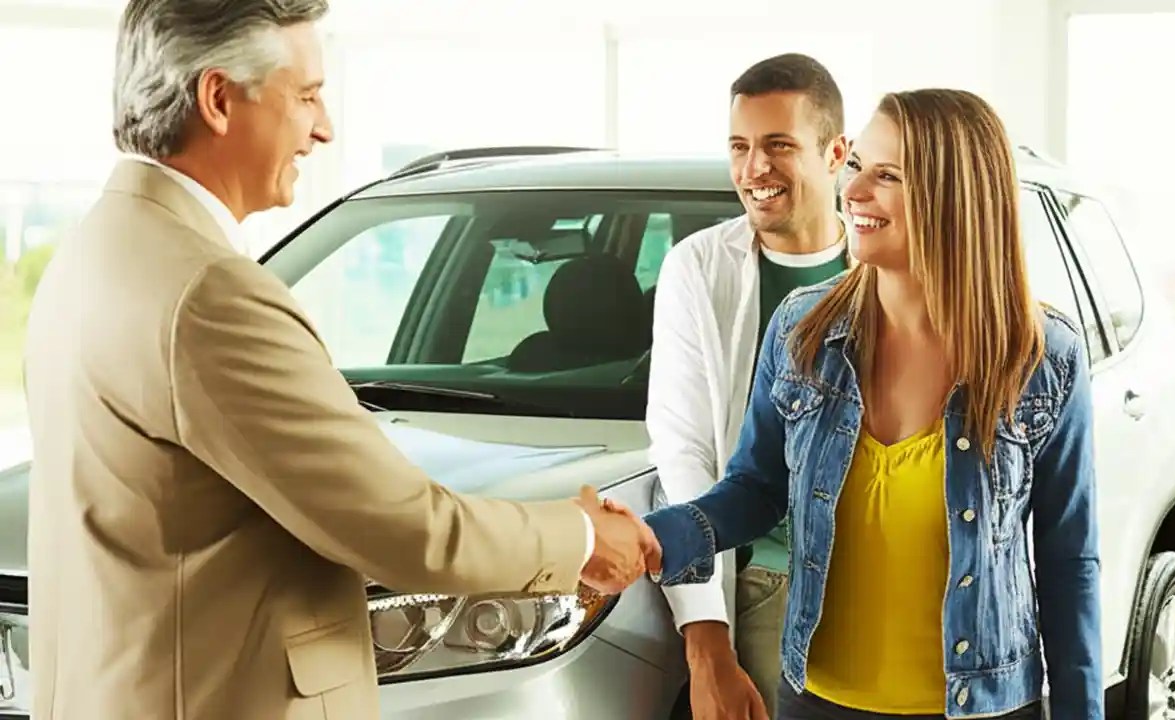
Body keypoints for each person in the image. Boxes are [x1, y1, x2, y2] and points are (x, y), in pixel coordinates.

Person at [21, 2, 652, 718]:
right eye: (307, 97)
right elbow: (405, 528)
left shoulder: (94, 251)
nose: (324, 128)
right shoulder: (210, 291)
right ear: (219, 99)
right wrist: (579, 537)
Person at [640, 88, 1103, 719]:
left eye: (887, 176)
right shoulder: (802, 330)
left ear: (955, 197)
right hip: (818, 703)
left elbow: (1068, 561)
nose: (852, 191)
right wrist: (658, 536)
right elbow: (755, 489)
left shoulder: (1042, 357)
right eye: (856, 165)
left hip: (983, 707)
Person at [646, 53, 850, 720]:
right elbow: (684, 457)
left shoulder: (890, 262)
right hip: (768, 587)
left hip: (891, 585)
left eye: (779, 145)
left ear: (835, 153)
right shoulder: (699, 269)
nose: (754, 169)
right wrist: (707, 646)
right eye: (740, 146)